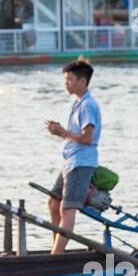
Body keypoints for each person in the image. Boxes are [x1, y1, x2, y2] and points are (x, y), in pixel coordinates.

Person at [44, 57, 101, 255]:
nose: (66, 84)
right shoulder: (77, 104)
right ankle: (56, 248)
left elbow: (87, 138)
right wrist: (60, 131)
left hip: (81, 162)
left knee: (67, 210)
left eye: (69, 80)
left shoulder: (87, 105)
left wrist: (62, 132)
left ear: (82, 82)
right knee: (54, 202)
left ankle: (56, 256)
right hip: (71, 161)